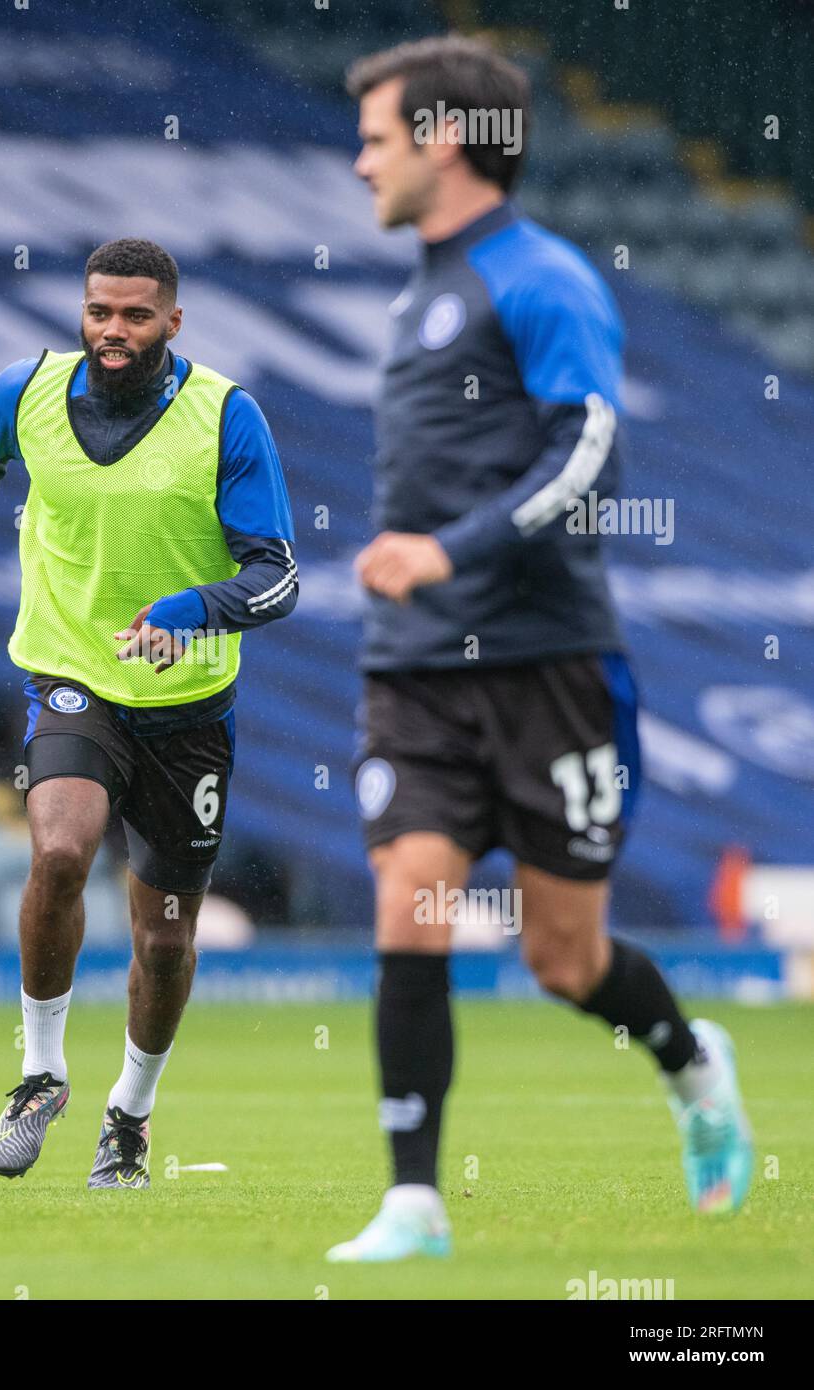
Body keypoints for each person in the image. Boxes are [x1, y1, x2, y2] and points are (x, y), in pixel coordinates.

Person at [326, 37, 752, 1263]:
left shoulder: (543, 276)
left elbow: (588, 459)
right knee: (410, 895)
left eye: (374, 136)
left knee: (562, 956)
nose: (359, 162)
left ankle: (688, 1057)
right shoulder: (415, 288)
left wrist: (447, 551)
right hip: (413, 667)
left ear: (443, 139)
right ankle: (412, 1199)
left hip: (547, 665)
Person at [0, 238, 297, 1188]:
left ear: (172, 321)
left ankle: (130, 1116)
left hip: (188, 706)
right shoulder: (25, 392)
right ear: (81, 310)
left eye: (135, 316)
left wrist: (193, 611)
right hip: (73, 675)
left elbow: (276, 575)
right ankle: (39, 1074)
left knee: (163, 939)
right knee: (61, 849)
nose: (113, 332)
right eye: (99, 312)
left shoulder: (225, 416)